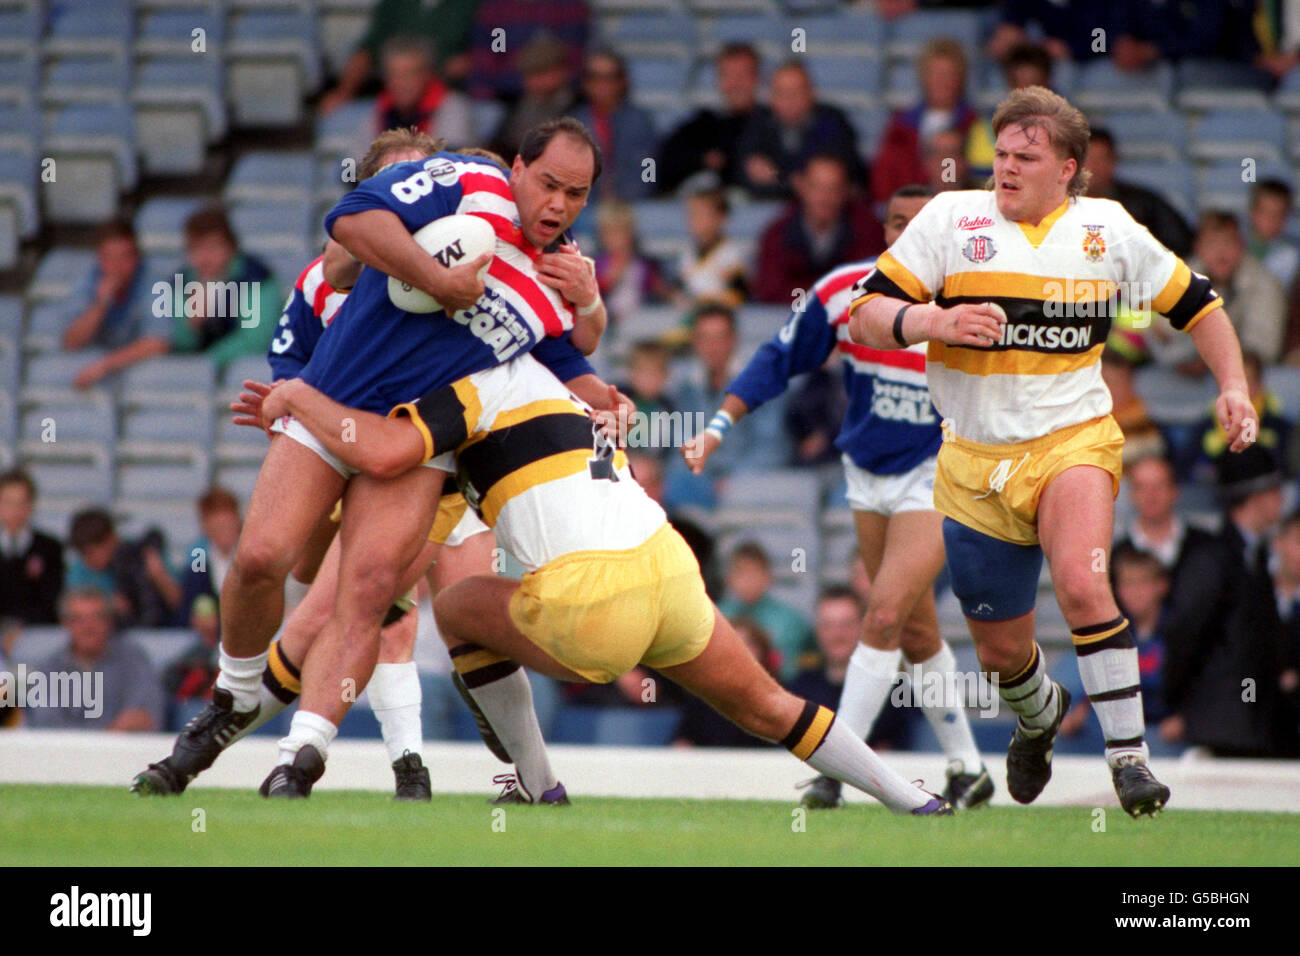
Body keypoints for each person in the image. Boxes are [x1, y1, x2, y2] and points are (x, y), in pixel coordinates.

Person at [247, 350, 954, 814]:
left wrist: (299, 398)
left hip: (592, 601)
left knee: (458, 607)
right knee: (771, 707)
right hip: (668, 565)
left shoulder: (466, 391)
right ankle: (915, 801)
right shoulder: (562, 385)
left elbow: (382, 450)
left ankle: (537, 784)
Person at [130, 127, 612, 800]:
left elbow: (568, 349)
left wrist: (602, 371)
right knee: (267, 562)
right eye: (549, 184)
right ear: (519, 168)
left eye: (575, 192)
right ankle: (232, 697)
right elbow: (345, 236)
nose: (558, 202)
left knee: (377, 599)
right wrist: (437, 281)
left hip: (423, 444)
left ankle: (315, 758)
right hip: (335, 407)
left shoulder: (549, 267)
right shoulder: (430, 213)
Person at [848, 85, 1259, 816]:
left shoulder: (1108, 231)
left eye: (1025, 158)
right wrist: (930, 321)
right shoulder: (951, 219)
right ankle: (1039, 717)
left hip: (1074, 440)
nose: (1006, 167)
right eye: (1001, 153)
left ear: (1068, 169)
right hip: (974, 460)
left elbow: (1200, 306)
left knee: (1081, 582)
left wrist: (1233, 386)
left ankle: (1129, 761)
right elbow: (865, 314)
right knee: (1001, 654)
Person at [685, 183, 992, 810]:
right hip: (866, 474)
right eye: (898, 222)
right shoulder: (846, 292)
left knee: (880, 616)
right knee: (912, 628)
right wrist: (717, 426)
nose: (908, 234)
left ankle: (835, 767)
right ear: (885, 231)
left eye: (922, 224)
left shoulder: (971, 307)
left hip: (939, 472)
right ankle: (969, 768)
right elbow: (778, 358)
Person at [1162, 447, 1289, 756]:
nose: (1281, 500)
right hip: (1221, 725)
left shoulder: (1254, 557)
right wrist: (1180, 703)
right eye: (1275, 490)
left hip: (1253, 723)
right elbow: (1184, 633)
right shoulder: (1213, 558)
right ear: (1258, 497)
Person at [752, 153, 885, 304]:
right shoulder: (777, 234)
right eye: (817, 187)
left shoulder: (868, 230)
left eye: (833, 189)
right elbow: (769, 291)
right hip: (789, 314)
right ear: (800, 186)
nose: (824, 198)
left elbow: (870, 286)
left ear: (846, 191)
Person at [24, 589, 164, 731]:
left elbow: (145, 714)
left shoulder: (134, 660)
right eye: (78, 619)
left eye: (97, 617)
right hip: (70, 746)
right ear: (65, 624)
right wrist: (109, 732)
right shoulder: (49, 669)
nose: (88, 627)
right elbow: (46, 725)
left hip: (125, 745)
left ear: (110, 622)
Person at [873, 38, 990, 206]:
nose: (941, 81)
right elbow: (885, 178)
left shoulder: (975, 126)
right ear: (923, 77)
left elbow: (974, 179)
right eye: (935, 73)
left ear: (961, 79)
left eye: (949, 74)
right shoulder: (900, 125)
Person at [167, 205, 281, 373]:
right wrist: (192, 325)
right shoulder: (183, 281)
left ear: (231, 247)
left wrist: (208, 362)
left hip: (244, 371)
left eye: (212, 248)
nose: (204, 258)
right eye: (196, 249)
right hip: (195, 375)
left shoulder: (256, 277)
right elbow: (178, 343)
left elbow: (256, 339)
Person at [62, 219, 170, 389]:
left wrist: (105, 365)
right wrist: (100, 305)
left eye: (124, 257)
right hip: (102, 366)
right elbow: (71, 342)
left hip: (141, 374)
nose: (116, 266)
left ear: (137, 258)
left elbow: (158, 342)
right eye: (108, 258)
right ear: (99, 259)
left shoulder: (155, 283)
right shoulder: (88, 280)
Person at [317, 0, 479, 114]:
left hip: (451, 97)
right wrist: (343, 93)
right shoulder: (395, 4)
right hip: (394, 102)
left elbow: (487, 52)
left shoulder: (471, 4)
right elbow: (368, 50)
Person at [735, 60, 863, 200]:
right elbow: (745, 174)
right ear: (771, 96)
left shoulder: (832, 122)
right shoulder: (759, 122)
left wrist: (778, 177)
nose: (789, 100)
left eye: (795, 92)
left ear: (811, 93)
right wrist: (793, 181)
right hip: (768, 205)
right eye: (781, 92)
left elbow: (839, 176)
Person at [657, 43, 761, 194]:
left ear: (756, 78)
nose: (735, 84)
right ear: (718, 80)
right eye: (727, 75)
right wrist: (702, 160)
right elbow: (665, 162)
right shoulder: (704, 125)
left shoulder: (774, 125)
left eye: (742, 75)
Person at [1083, 129, 1192, 258]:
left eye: (1101, 159)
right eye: (1088, 159)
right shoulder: (1062, 204)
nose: (1094, 167)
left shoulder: (1144, 204)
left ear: (1113, 162)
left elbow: (1179, 243)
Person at [66, 508, 181, 629]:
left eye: (90, 553)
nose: (87, 560)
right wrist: (108, 607)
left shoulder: (144, 554)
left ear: (111, 539)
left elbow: (179, 604)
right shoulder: (80, 571)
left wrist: (159, 576)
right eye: (82, 553)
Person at [716, 542, 814, 683]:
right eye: (741, 572)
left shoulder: (790, 620)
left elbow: (798, 665)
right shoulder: (715, 617)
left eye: (755, 572)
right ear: (729, 578)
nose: (748, 580)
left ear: (768, 576)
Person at [573, 48, 657, 201]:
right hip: (585, 206)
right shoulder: (574, 124)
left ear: (622, 81)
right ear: (586, 83)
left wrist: (635, 198)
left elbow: (649, 167)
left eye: (610, 78)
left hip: (632, 204)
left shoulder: (641, 122)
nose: (603, 85)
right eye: (595, 77)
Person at [369, 36, 472, 147]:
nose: (401, 83)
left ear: (428, 74)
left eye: (409, 74)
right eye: (394, 74)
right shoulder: (375, 110)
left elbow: (452, 154)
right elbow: (362, 154)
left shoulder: (453, 109)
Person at [488, 34, 578, 161]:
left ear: (562, 71)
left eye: (541, 73)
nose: (534, 81)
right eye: (529, 75)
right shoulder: (516, 104)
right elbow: (503, 145)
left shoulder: (578, 105)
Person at [0, 469, 64, 626]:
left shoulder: (50, 547)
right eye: (8, 502)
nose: (15, 510)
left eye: (22, 502)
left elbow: (51, 600)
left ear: (31, 505)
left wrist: (21, 626)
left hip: (37, 632)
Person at [674, 184, 749, 308]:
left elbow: (740, 294)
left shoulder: (731, 254)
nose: (695, 220)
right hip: (692, 313)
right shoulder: (686, 252)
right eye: (692, 214)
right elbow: (681, 288)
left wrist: (711, 302)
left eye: (701, 214)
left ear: (722, 218)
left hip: (721, 313)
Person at [179, 486, 242, 617]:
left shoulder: (248, 552)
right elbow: (195, 594)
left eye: (228, 526)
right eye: (218, 529)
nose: (224, 534)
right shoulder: (199, 553)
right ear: (206, 527)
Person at [1246, 179, 1300, 292]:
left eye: (1278, 214)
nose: (1271, 220)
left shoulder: (1290, 255)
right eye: (1265, 212)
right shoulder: (1236, 246)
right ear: (1252, 212)